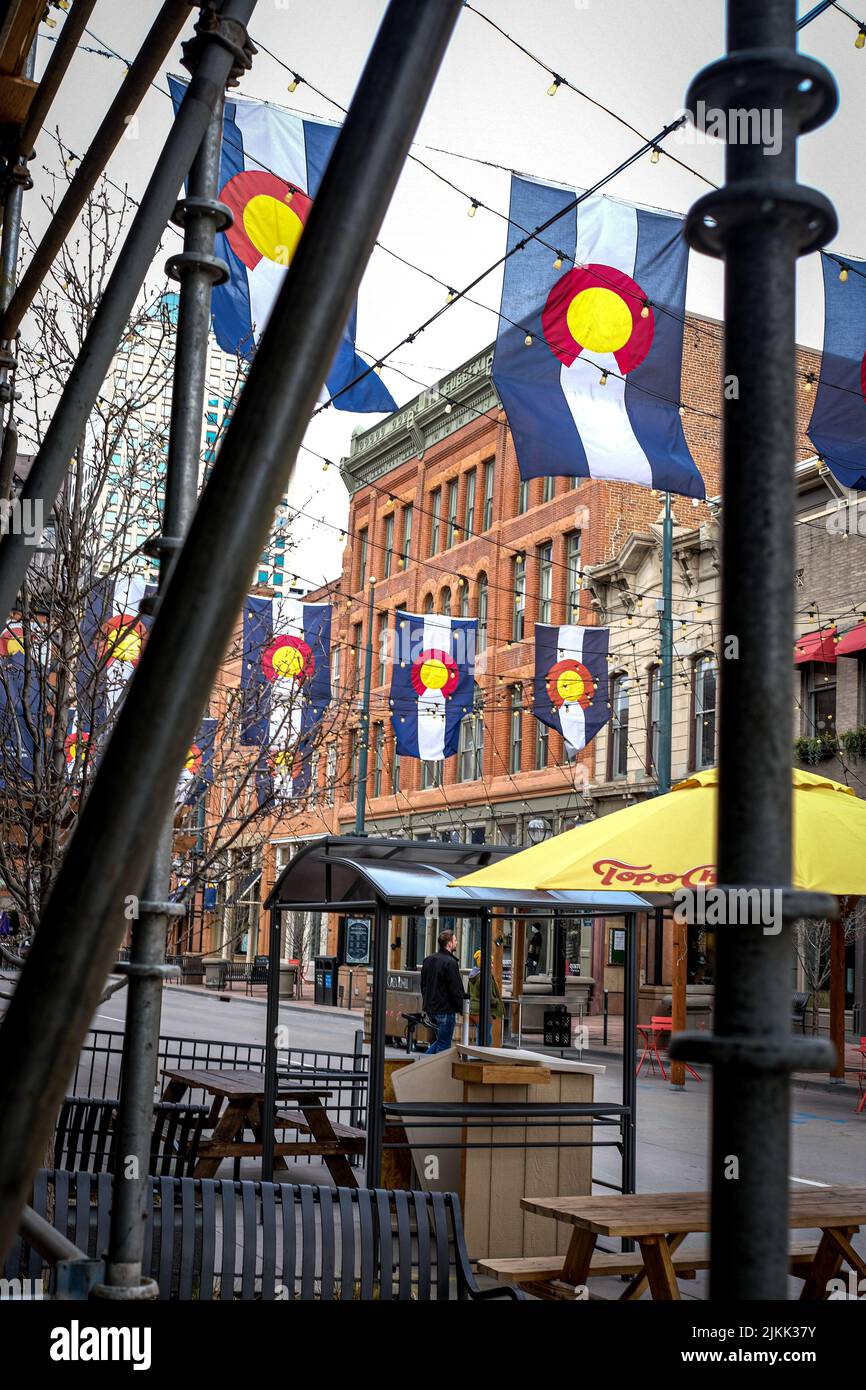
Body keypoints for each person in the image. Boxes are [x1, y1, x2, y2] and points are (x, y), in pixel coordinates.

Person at [420, 929, 466, 1054]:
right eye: (455, 940)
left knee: (440, 1041)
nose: (456, 942)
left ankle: (422, 1064)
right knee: (443, 1045)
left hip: (431, 1009)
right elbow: (455, 989)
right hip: (445, 1010)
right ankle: (423, 1068)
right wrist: (462, 1008)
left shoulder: (428, 960)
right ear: (449, 943)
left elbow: (423, 985)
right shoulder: (450, 963)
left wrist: (426, 1003)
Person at [468, 950, 505, 1046]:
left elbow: (469, 993)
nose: (492, 965)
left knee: (480, 1034)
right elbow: (488, 996)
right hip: (483, 1010)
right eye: (491, 962)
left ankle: (478, 1056)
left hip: (473, 1010)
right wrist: (497, 1003)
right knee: (487, 1038)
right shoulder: (485, 976)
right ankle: (483, 1058)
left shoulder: (473, 975)